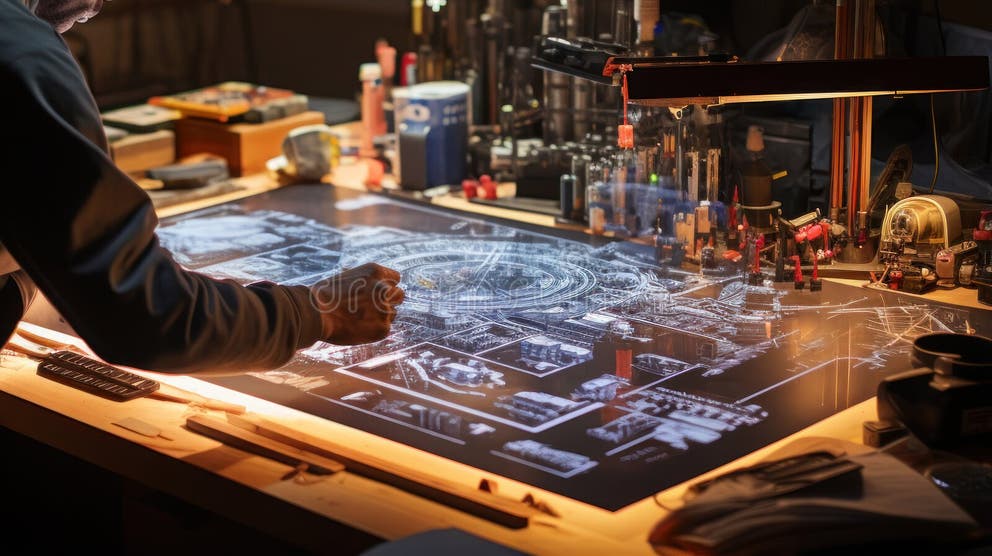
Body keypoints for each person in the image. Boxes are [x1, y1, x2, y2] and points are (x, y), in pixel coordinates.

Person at [0, 0, 405, 374]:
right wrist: (319, 311)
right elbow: (146, 316)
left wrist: (30, 277)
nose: (92, 9)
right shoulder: (23, 54)